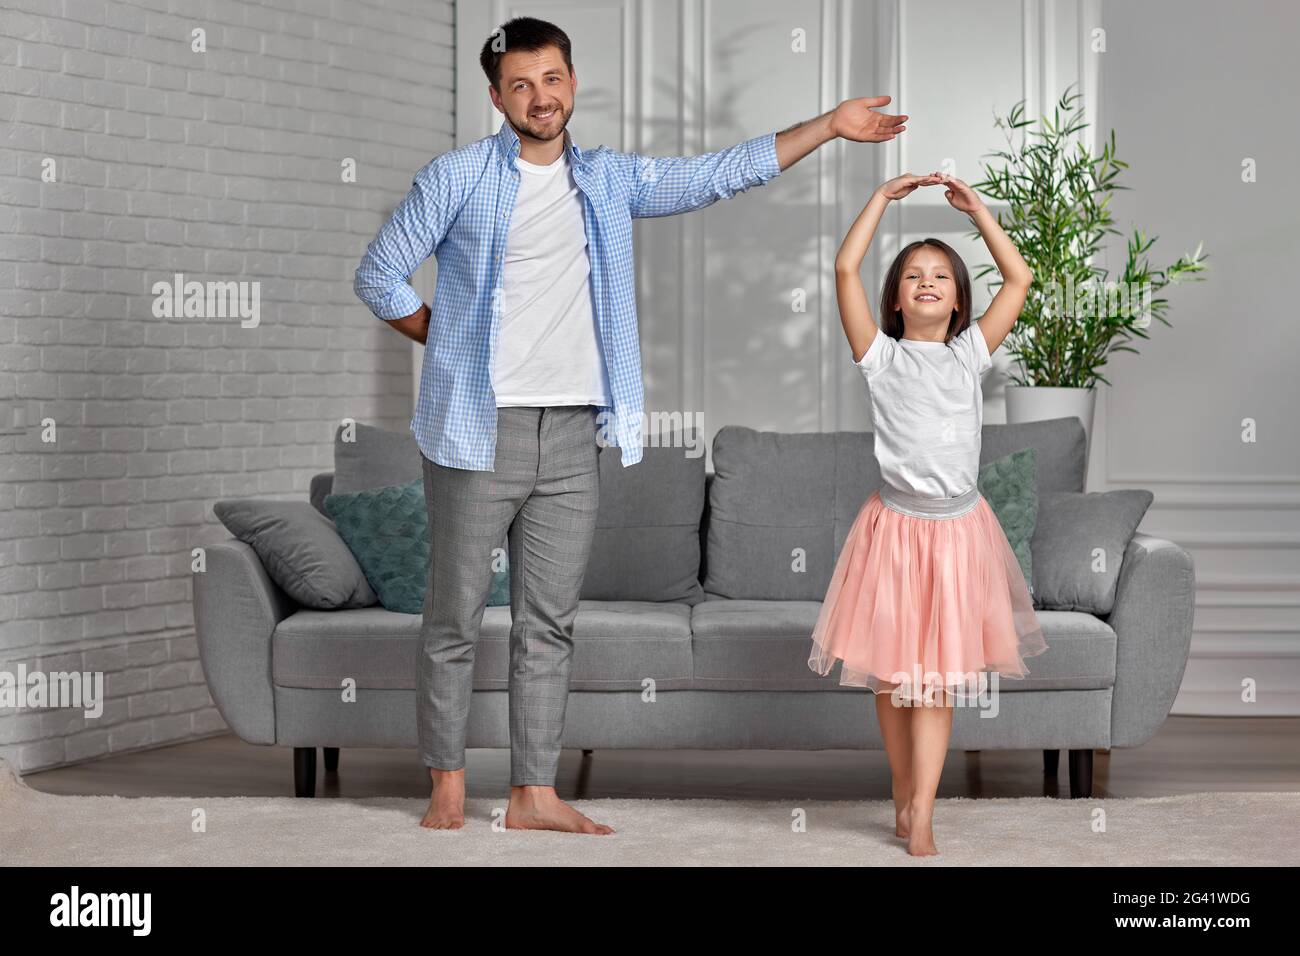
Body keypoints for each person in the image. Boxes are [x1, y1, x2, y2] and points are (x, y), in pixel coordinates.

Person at [353, 15, 908, 835]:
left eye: (551, 79)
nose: (539, 97)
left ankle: (533, 792)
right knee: (455, 618)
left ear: (572, 83)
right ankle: (445, 783)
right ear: (496, 96)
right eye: (519, 85)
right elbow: (379, 274)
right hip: (478, 430)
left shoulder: (608, 181)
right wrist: (452, 339)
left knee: (548, 621)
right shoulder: (456, 177)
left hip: (576, 433)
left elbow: (717, 175)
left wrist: (829, 124)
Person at [807, 171, 1048, 856]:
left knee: (934, 679)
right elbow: (844, 265)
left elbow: (1021, 279)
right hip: (893, 531)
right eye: (913, 275)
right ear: (896, 298)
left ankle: (923, 808)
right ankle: (901, 788)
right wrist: (881, 199)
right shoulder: (879, 358)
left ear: (958, 299)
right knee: (893, 677)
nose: (927, 282)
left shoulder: (970, 353)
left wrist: (979, 213)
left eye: (941, 275)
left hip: (957, 532)